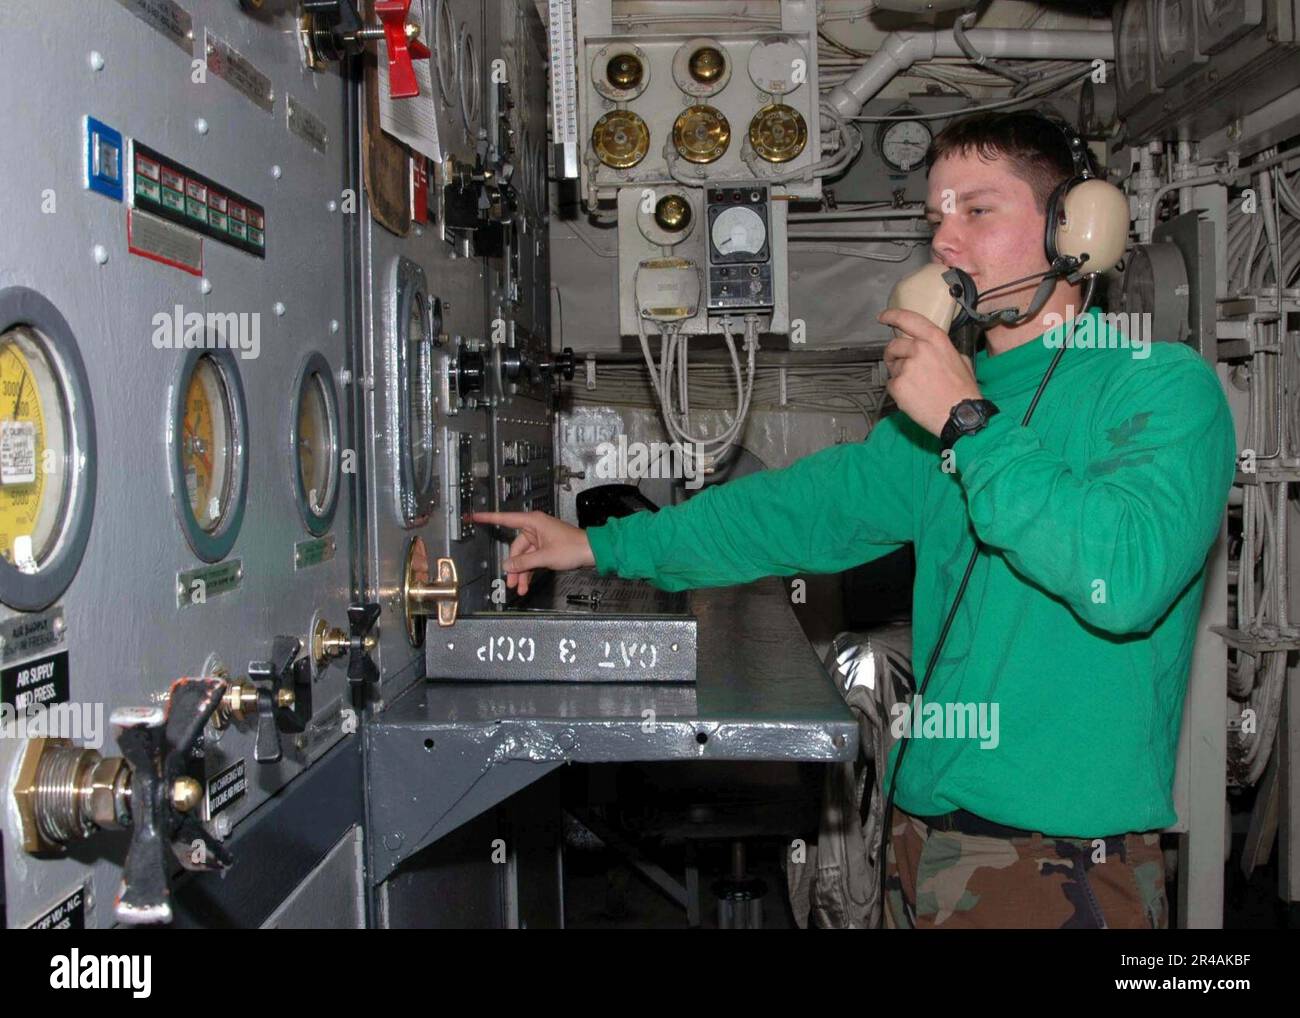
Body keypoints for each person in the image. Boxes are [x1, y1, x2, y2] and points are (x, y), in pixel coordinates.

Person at [472, 111, 1237, 929]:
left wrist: (969, 422)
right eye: (935, 216)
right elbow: (794, 511)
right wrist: (595, 543)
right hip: (923, 840)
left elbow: (1124, 578)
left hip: (1062, 863)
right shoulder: (939, 412)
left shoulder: (1159, 386)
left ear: (1077, 231)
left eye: (977, 210)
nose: (946, 241)